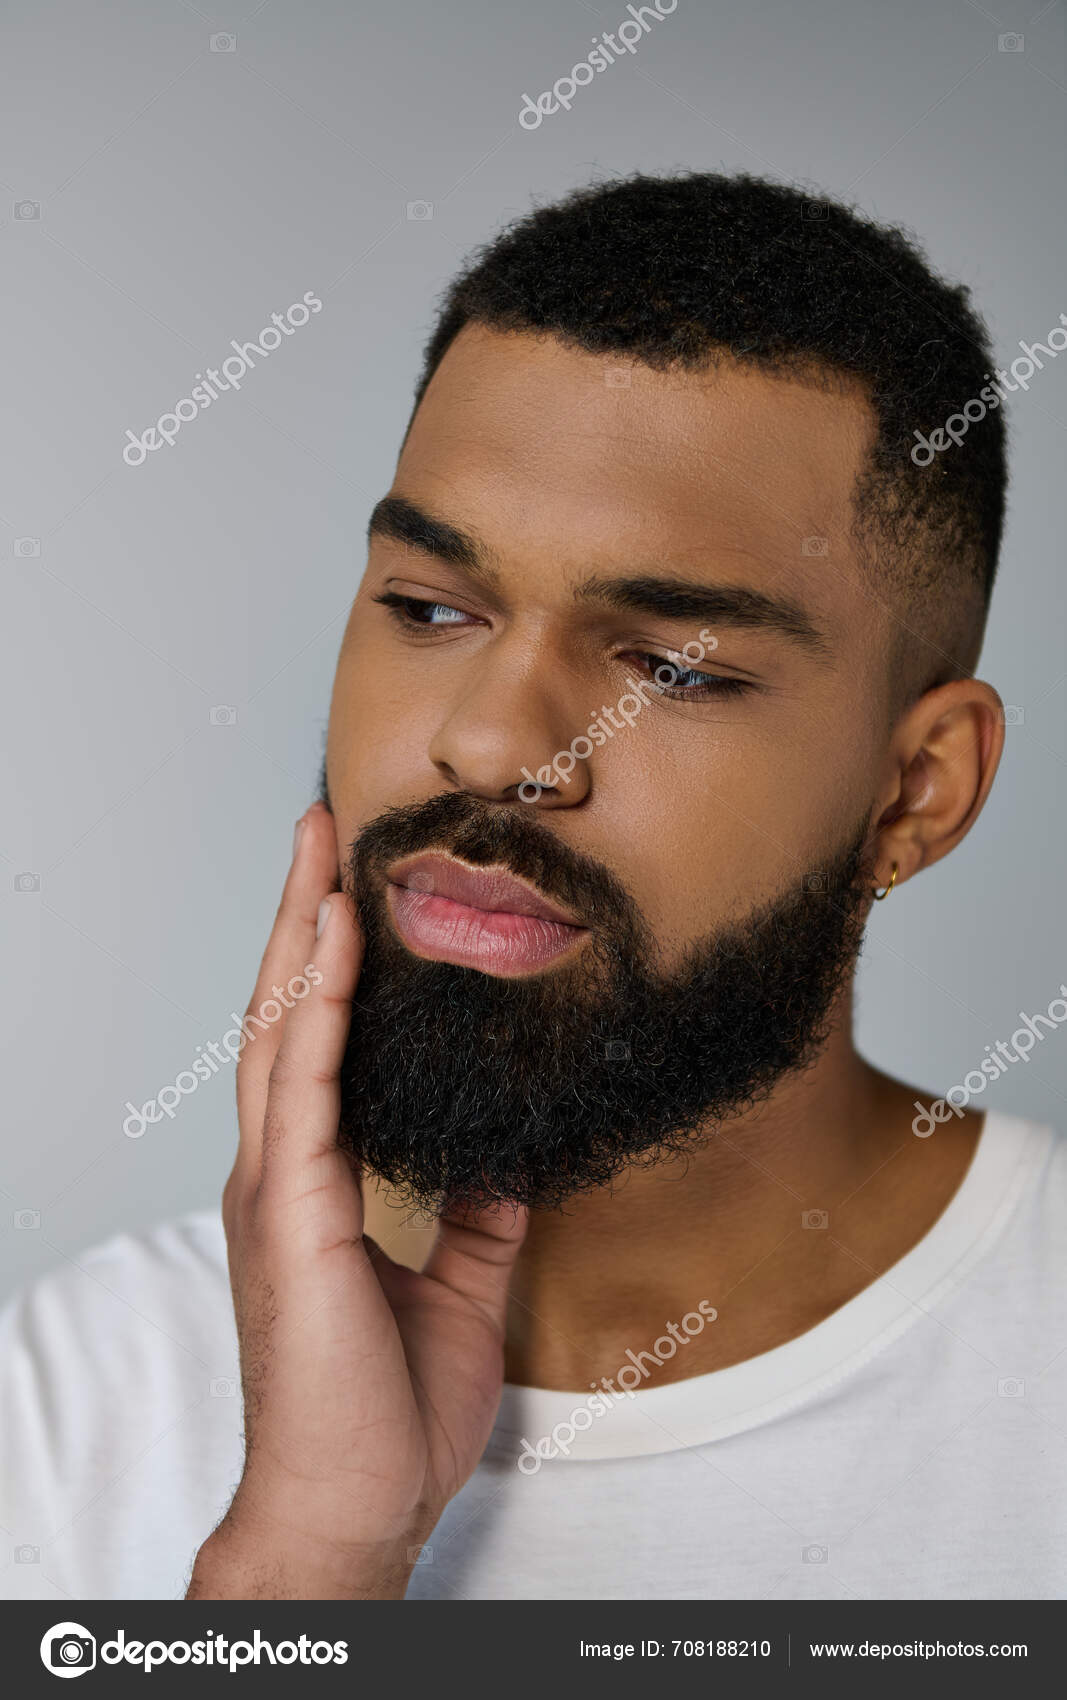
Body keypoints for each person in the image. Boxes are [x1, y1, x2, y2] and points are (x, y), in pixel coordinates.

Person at [3, 173, 1063, 1603]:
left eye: (673, 667)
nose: (495, 744)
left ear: (916, 788)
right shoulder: (64, 1404)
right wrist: (314, 1550)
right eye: (431, 607)